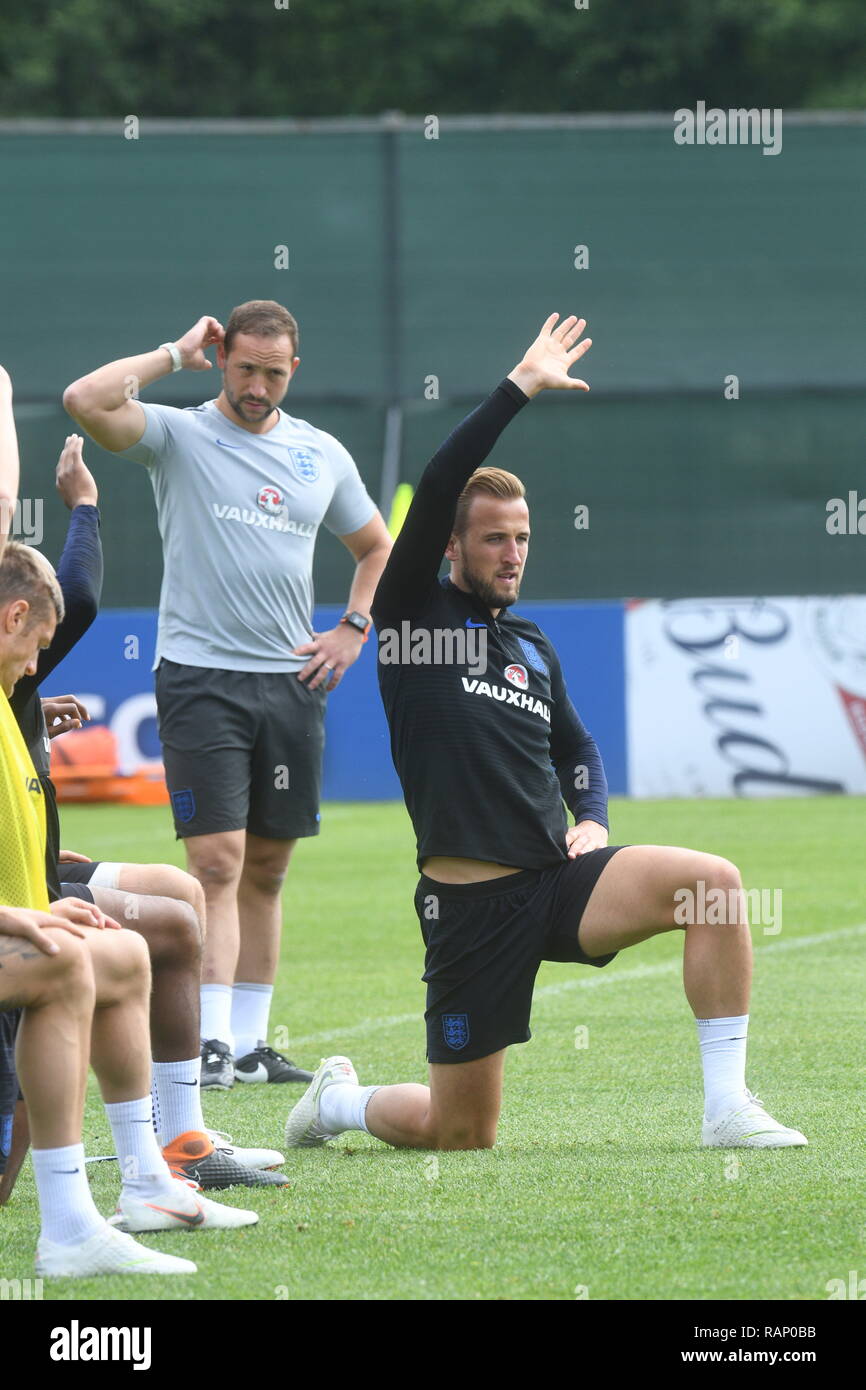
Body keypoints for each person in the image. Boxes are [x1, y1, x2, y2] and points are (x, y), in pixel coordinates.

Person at [284, 314, 808, 1153]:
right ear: (451, 547)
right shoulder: (412, 615)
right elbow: (439, 472)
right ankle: (341, 1101)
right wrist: (519, 386)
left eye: (522, 538)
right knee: (461, 1131)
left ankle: (728, 1107)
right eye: (494, 538)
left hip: (558, 885)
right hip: (470, 909)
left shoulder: (531, 644)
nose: (512, 552)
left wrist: (592, 817)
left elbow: (579, 751)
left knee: (715, 884)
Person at [64, 301, 393, 1088]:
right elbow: (86, 400)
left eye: (273, 373)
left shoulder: (321, 454)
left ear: (294, 371)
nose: (257, 386)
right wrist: (172, 353)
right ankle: (208, 1038)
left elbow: (375, 545)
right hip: (200, 676)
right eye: (245, 369)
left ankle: (248, 1044)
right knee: (216, 861)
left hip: (292, 682)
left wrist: (353, 625)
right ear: (223, 360)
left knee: (269, 871)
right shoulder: (179, 435)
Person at [0, 371, 259, 1277]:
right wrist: (27, 915)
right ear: (14, 619)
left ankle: (144, 1175)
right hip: (13, 918)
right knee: (84, 955)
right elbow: (77, 583)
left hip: (25, 899)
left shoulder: (10, 697)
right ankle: (85, 1213)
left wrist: (40, 897)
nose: (40, 666)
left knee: (125, 946)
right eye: (36, 644)